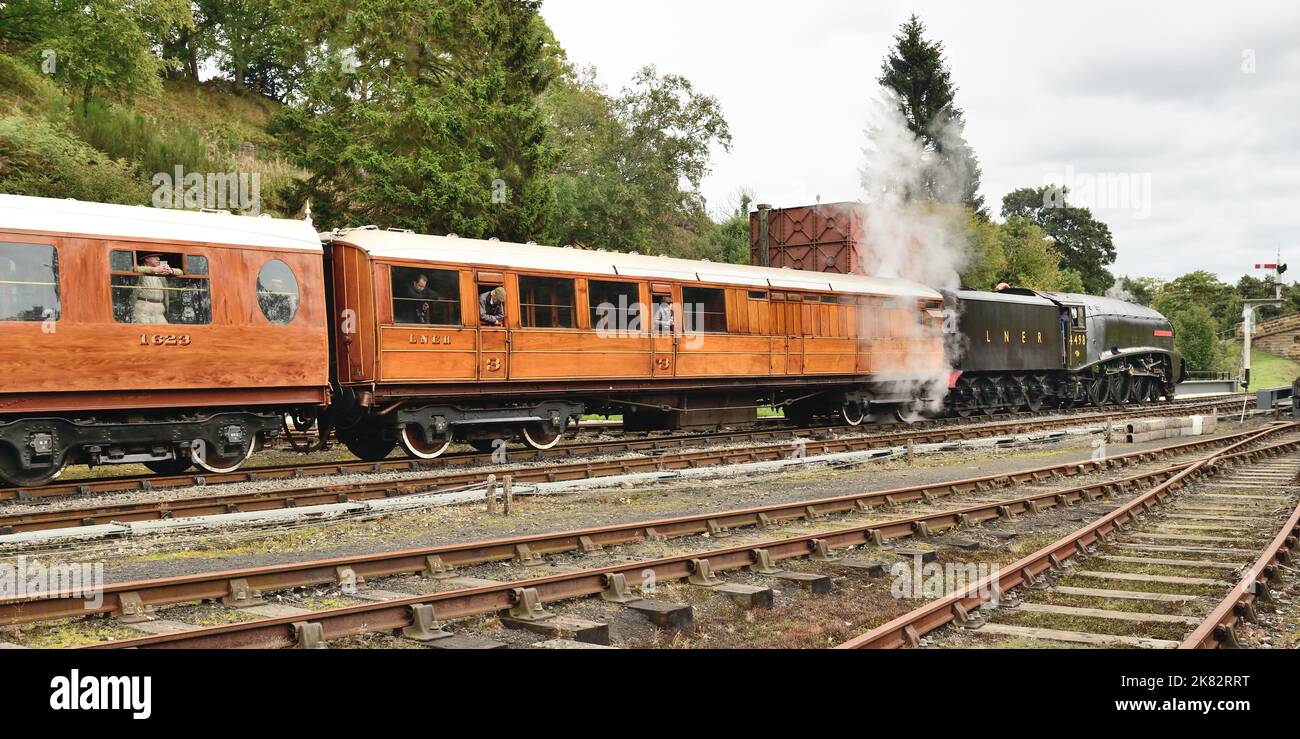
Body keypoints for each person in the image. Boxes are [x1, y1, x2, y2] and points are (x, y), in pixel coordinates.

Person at [133, 254, 183, 324]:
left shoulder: (161, 271)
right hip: (143, 307)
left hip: (159, 308)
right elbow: (134, 269)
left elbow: (181, 272)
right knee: (144, 331)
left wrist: (171, 270)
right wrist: (153, 270)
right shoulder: (139, 269)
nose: (158, 259)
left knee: (164, 331)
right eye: (155, 257)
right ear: (146, 259)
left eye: (158, 257)